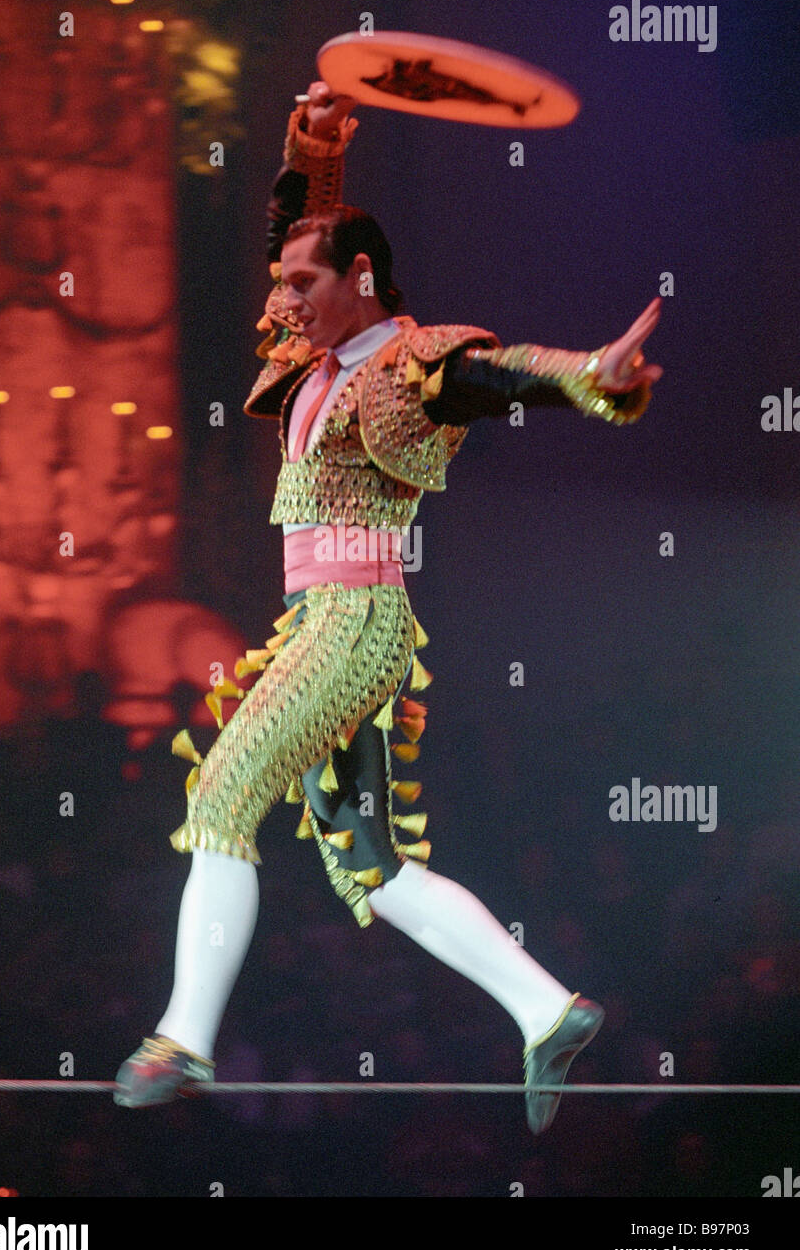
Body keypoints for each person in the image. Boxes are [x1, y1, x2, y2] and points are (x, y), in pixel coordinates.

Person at [114, 82, 662, 1134]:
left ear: (360, 279)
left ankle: (182, 1040)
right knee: (369, 864)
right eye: (283, 285)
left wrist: (590, 374)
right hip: (326, 621)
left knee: (221, 798)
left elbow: (502, 376)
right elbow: (296, 231)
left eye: (305, 284)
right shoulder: (312, 358)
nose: (284, 300)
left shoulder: (413, 365)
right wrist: (315, 148)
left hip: (351, 621)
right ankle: (547, 1010)